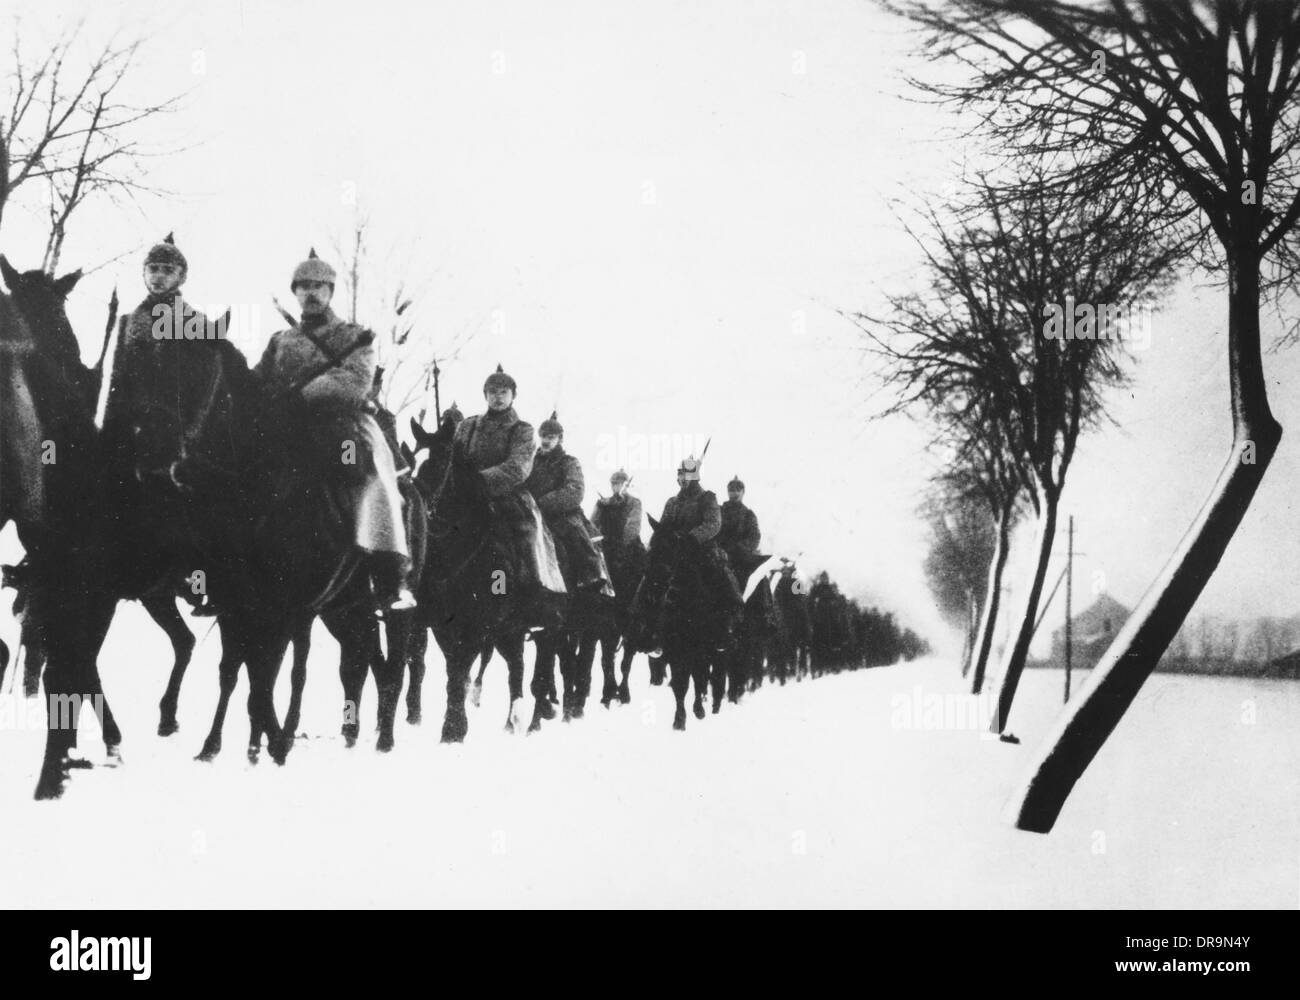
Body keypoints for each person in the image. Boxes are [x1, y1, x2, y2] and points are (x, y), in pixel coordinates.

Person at [254, 249, 415, 612]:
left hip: (342, 426)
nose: (311, 293)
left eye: (319, 287)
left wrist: (306, 394)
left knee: (369, 478)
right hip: (285, 425)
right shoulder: (281, 340)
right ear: (295, 293)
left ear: (330, 291)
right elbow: (257, 381)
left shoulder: (354, 336)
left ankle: (390, 573)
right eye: (304, 287)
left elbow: (355, 382)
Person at [449, 365, 566, 616]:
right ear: (485, 395)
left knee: (527, 533)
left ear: (513, 396)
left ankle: (535, 595)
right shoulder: (467, 426)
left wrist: (479, 481)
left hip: (505, 495)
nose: (497, 397)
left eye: (503, 392)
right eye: (492, 392)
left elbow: (518, 467)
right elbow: (452, 459)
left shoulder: (522, 430)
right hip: (464, 494)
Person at [524, 411, 610, 593]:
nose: (545, 441)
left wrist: (544, 502)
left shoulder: (569, 463)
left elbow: (575, 491)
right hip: (530, 511)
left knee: (573, 533)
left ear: (560, 439)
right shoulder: (531, 461)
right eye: (543, 436)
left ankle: (591, 576)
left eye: (550, 437)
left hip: (560, 514)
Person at [658, 455, 744, 612]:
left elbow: (713, 523)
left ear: (695, 477)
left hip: (699, 549)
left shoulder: (707, 498)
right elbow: (663, 527)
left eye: (685, 475)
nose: (682, 479)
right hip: (675, 549)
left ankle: (732, 613)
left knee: (721, 576)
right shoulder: (672, 502)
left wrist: (692, 537)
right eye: (679, 474)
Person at [717, 474, 762, 572]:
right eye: (732, 490)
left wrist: (739, 548)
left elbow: (754, 537)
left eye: (738, 490)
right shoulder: (719, 511)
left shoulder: (748, 515)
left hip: (739, 557)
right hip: (719, 554)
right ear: (728, 492)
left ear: (743, 492)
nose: (735, 493)